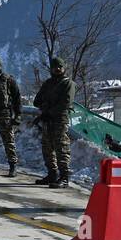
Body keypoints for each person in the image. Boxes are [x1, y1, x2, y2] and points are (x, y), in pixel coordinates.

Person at [32, 56, 75, 188]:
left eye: (60, 67)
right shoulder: (48, 83)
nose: (57, 69)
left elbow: (65, 103)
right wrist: (46, 109)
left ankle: (64, 177)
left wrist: (49, 111)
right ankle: (52, 174)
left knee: (61, 148)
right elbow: (36, 101)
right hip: (47, 119)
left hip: (59, 120)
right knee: (47, 147)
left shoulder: (68, 83)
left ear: (63, 68)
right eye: (55, 67)